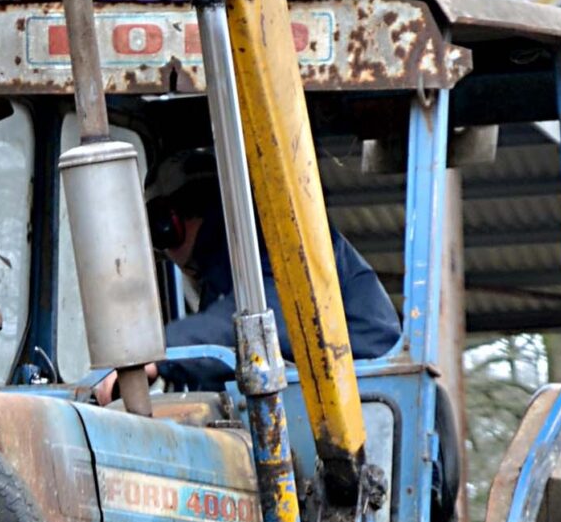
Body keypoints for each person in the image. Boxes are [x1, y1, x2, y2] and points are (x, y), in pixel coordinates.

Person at [92, 146, 400, 402]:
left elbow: (253, 323)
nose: (165, 254)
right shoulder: (228, 270)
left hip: (369, 408)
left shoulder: (278, 248)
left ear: (168, 224)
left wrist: (154, 355)